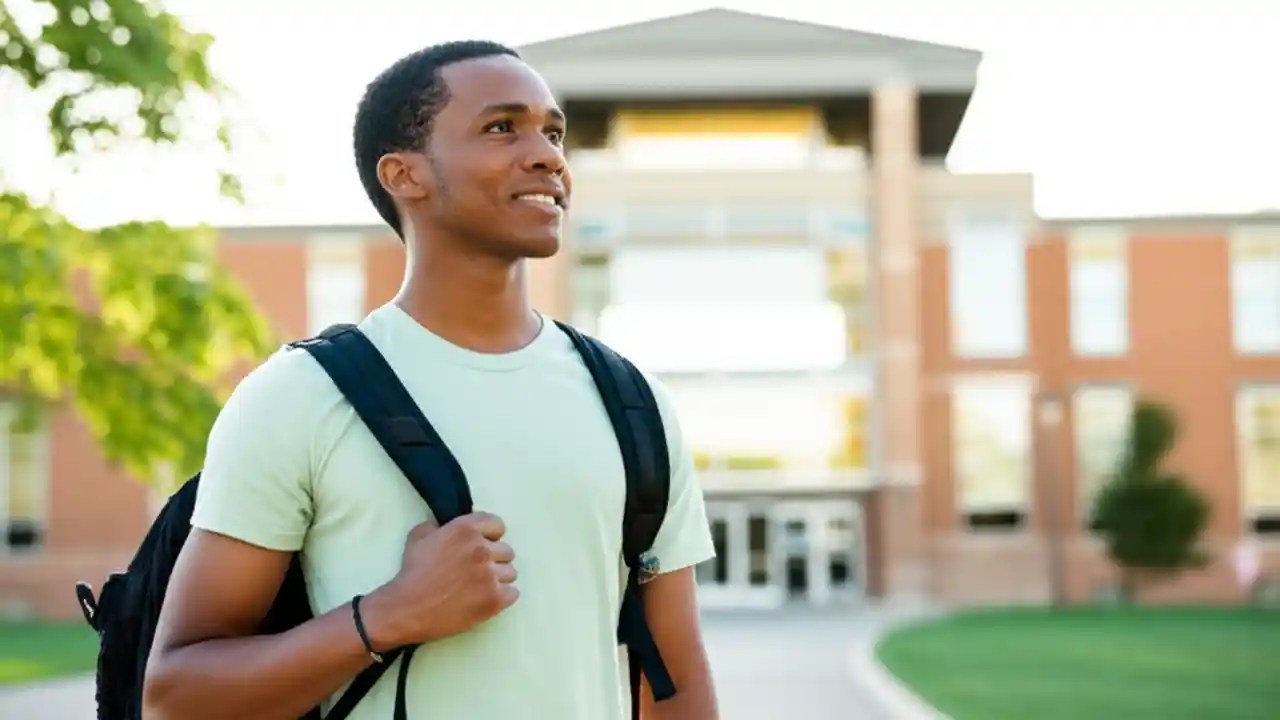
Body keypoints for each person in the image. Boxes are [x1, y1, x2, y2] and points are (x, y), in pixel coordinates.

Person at [142, 40, 720, 720]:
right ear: (404, 174)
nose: (547, 155)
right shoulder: (301, 396)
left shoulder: (632, 402)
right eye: (502, 127)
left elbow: (675, 676)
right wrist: (387, 616)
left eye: (553, 132)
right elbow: (175, 695)